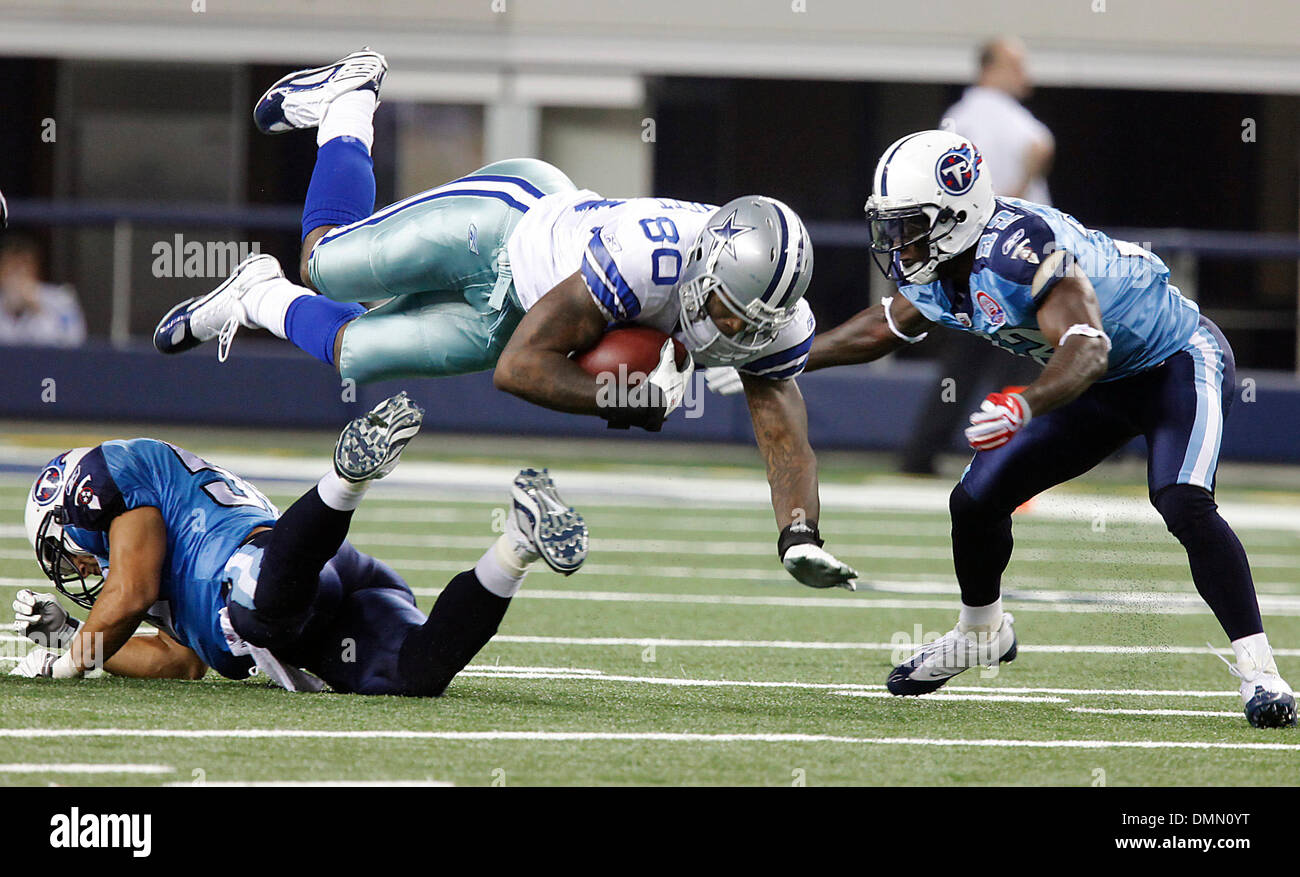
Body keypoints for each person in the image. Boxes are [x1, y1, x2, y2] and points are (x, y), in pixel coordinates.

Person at [152, 49, 857, 592]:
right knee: (327, 265)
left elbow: (781, 422)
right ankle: (349, 101)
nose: (733, 333)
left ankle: (253, 295)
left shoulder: (777, 318)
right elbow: (520, 368)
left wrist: (799, 534)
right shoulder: (651, 256)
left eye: (752, 325)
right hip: (502, 223)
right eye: (728, 311)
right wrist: (627, 400)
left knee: (352, 352)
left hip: (522, 303)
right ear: (706, 269)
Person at [804, 129, 1295, 728]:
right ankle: (980, 631)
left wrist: (1025, 405)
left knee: (1182, 499)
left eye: (910, 224)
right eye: (893, 225)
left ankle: (1261, 673)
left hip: (1173, 359)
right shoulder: (941, 262)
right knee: (975, 500)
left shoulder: (1021, 249)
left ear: (956, 214)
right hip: (1093, 384)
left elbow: (1086, 346)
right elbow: (886, 325)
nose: (897, 242)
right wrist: (789, 355)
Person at [11, 392, 589, 696]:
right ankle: (519, 540)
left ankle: (347, 476)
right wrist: (70, 636)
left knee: (254, 610)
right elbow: (176, 663)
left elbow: (130, 590)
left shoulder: (108, 472)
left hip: (270, 572)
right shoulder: (160, 567)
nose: (81, 567)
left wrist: (70, 662)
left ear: (73, 504)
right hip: (315, 595)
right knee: (411, 674)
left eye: (68, 552)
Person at [898, 36, 1052, 474]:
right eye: (1017, 66)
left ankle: (922, 454)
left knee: (966, 365)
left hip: (968, 259)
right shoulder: (1000, 120)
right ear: (992, 66)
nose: (1027, 76)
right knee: (1020, 360)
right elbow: (1038, 148)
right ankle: (1012, 456)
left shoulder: (959, 118)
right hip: (1012, 260)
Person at [0, 233, 87, 347]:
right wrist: (8, 311)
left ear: (36, 268)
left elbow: (75, 341)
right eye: (11, 267)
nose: (17, 275)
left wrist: (37, 310)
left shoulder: (61, 298)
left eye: (23, 267)